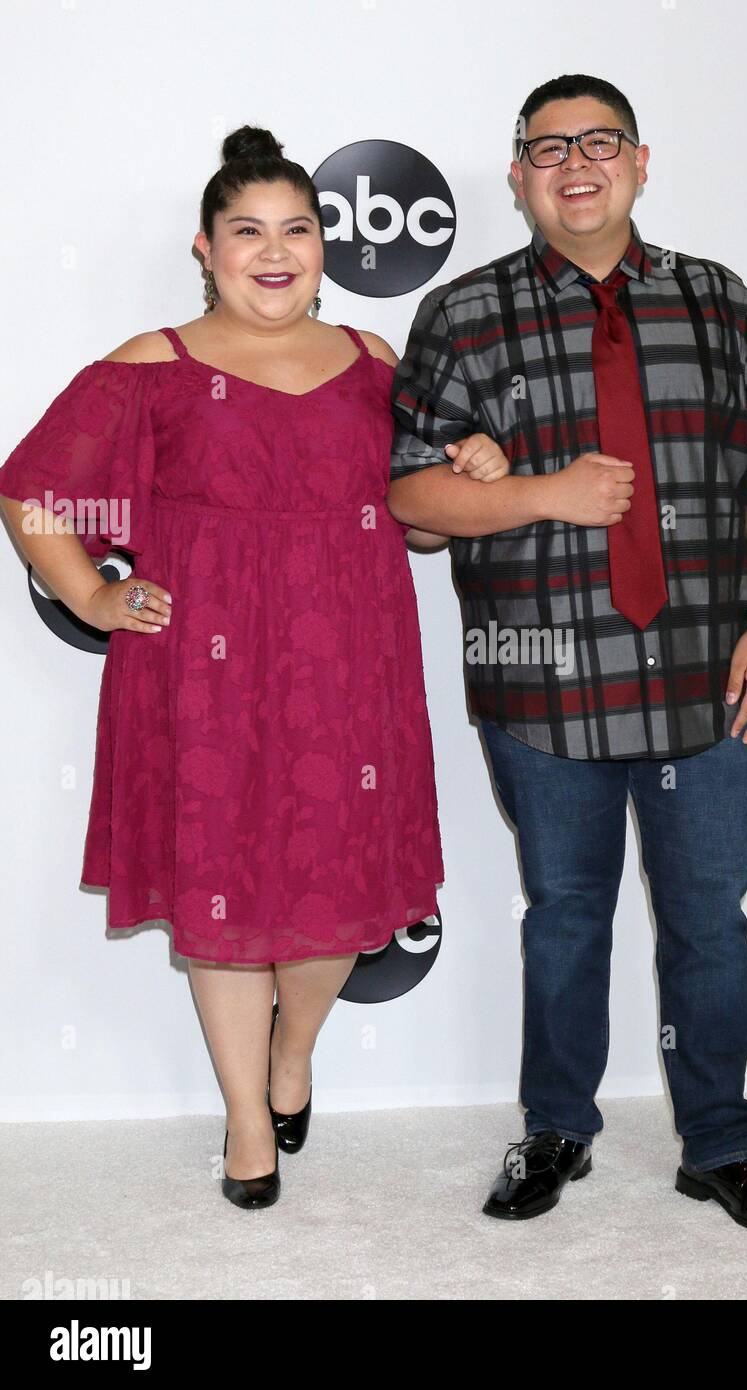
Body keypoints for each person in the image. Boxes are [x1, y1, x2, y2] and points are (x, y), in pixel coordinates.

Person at [0, 125, 507, 1210]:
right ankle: (245, 1117)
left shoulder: (378, 365)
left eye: (296, 230)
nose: (273, 253)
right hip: (203, 673)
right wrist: (91, 592)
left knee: (335, 893)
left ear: (325, 246)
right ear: (205, 248)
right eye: (247, 232)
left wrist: (470, 463)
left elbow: (417, 524)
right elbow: (36, 491)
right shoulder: (152, 366)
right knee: (220, 900)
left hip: (348, 660)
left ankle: (294, 1052)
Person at [387, 75, 747, 1236]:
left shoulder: (716, 300)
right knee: (563, 912)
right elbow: (413, 499)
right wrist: (545, 495)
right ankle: (556, 1127)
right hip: (542, 678)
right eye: (547, 148)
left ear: (639, 161)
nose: (574, 164)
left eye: (598, 142)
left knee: (707, 920)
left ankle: (721, 1142)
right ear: (519, 173)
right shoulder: (460, 315)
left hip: (708, 674)